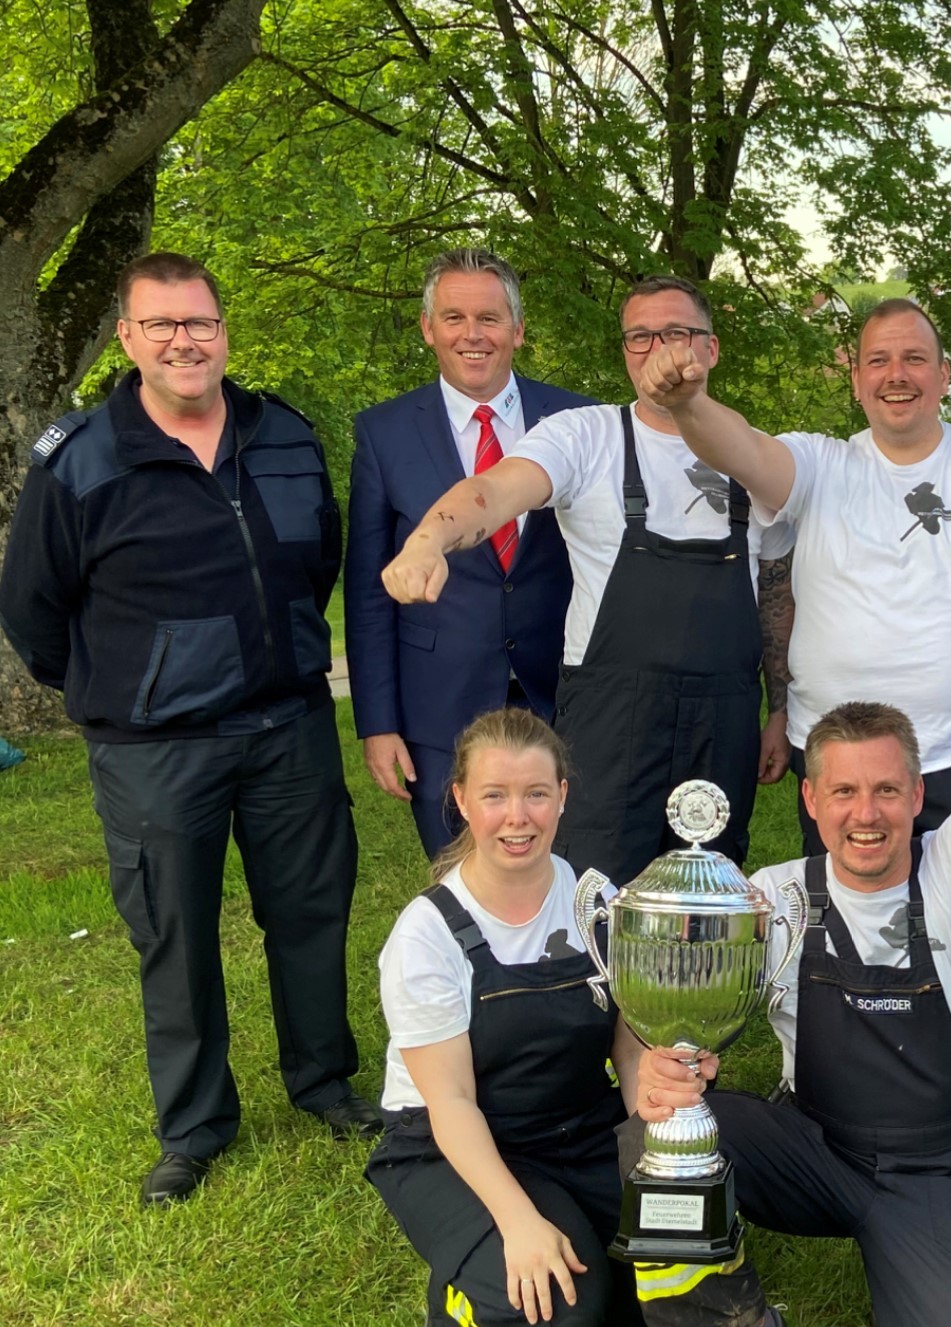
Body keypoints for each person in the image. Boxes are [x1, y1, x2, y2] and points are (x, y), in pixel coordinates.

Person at [633, 296, 951, 1208]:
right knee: (853, 940)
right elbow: (738, 446)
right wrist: (687, 402)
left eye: (915, 358)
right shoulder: (822, 465)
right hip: (848, 774)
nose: (897, 374)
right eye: (878, 360)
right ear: (854, 376)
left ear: (946, 375)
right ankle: (841, 1106)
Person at [627, 519, 951, 1327]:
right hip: (810, 1147)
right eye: (845, 792)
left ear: (916, 798)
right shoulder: (766, 896)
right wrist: (652, 1068)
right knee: (654, 1140)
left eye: (888, 792)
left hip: (935, 1167)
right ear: (811, 800)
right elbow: (654, 993)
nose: (867, 814)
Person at [0, 252, 376, 1207]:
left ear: (223, 330)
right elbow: (34, 610)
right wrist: (125, 686)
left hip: (289, 727)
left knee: (309, 912)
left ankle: (324, 1082)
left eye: (199, 322)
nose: (184, 340)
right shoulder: (81, 458)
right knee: (175, 934)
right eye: (161, 324)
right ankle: (196, 1126)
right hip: (155, 747)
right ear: (126, 337)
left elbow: (316, 564)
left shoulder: (282, 435)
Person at [381, 274, 794, 886]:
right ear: (625, 351)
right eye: (641, 336)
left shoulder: (757, 456)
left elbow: (775, 590)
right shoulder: (584, 435)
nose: (660, 350)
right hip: (610, 723)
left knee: (707, 900)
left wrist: (780, 707)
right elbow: (494, 491)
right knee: (593, 898)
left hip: (723, 721)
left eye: (678, 333)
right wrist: (429, 537)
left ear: (711, 347)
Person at [365, 707, 658, 1327]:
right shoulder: (426, 934)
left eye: (535, 793)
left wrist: (658, 1104)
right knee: (554, 1313)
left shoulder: (597, 901)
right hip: (449, 1141)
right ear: (462, 799)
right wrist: (519, 1219)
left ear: (563, 795)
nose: (517, 817)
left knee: (659, 1324)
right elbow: (452, 1102)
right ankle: (455, 1320)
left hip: (572, 1124)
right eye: (494, 795)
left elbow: (629, 1039)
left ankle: (580, 1231)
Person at [347, 249, 593, 857]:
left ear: (518, 329)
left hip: (562, 692)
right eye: (453, 318)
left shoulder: (579, 419)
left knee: (567, 878)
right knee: (460, 885)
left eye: (489, 317)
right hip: (439, 702)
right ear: (429, 329)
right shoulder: (384, 433)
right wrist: (377, 724)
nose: (472, 334)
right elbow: (367, 590)